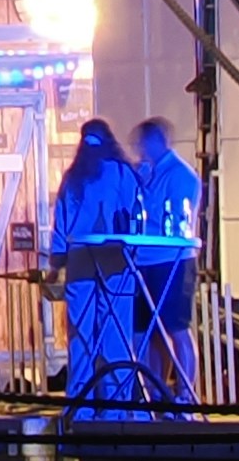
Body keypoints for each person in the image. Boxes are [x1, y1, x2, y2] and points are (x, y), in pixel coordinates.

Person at [53, 118, 146, 406]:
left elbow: (60, 225)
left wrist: (56, 263)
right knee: (115, 334)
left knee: (81, 335)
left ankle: (79, 405)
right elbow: (136, 220)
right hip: (116, 262)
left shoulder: (74, 178)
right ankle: (115, 404)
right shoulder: (123, 174)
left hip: (80, 261)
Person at [129, 118, 205, 406]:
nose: (139, 149)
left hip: (171, 262)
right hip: (144, 262)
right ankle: (154, 394)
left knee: (176, 329)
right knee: (148, 333)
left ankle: (186, 396)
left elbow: (174, 222)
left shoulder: (180, 176)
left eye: (143, 143)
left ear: (158, 141)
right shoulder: (147, 172)